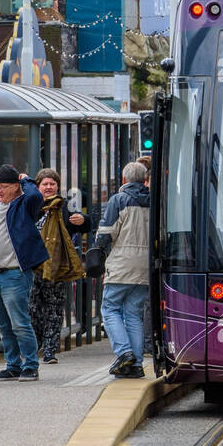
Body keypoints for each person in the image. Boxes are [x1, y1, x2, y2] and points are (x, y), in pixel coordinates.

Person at [0, 165, 48, 381]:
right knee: (2, 325)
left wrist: (26, 179)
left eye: (5, 186)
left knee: (19, 322)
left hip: (15, 274)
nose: (0, 191)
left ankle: (30, 364)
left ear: (17, 187)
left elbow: (36, 196)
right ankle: (13, 365)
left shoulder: (23, 205)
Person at [97, 161, 152, 379]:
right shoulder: (152, 201)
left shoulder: (118, 200)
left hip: (121, 264)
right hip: (144, 266)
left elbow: (106, 233)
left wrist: (98, 250)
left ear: (124, 180)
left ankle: (124, 353)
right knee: (134, 315)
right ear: (144, 180)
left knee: (109, 308)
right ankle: (136, 364)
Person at [30, 169, 90, 365]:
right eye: (45, 184)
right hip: (33, 268)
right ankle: (37, 343)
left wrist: (84, 220)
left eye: (52, 184)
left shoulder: (64, 208)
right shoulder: (31, 206)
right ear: (38, 186)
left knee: (54, 310)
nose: (48, 187)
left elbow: (84, 224)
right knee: (34, 309)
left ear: (58, 186)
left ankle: (49, 351)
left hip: (57, 268)